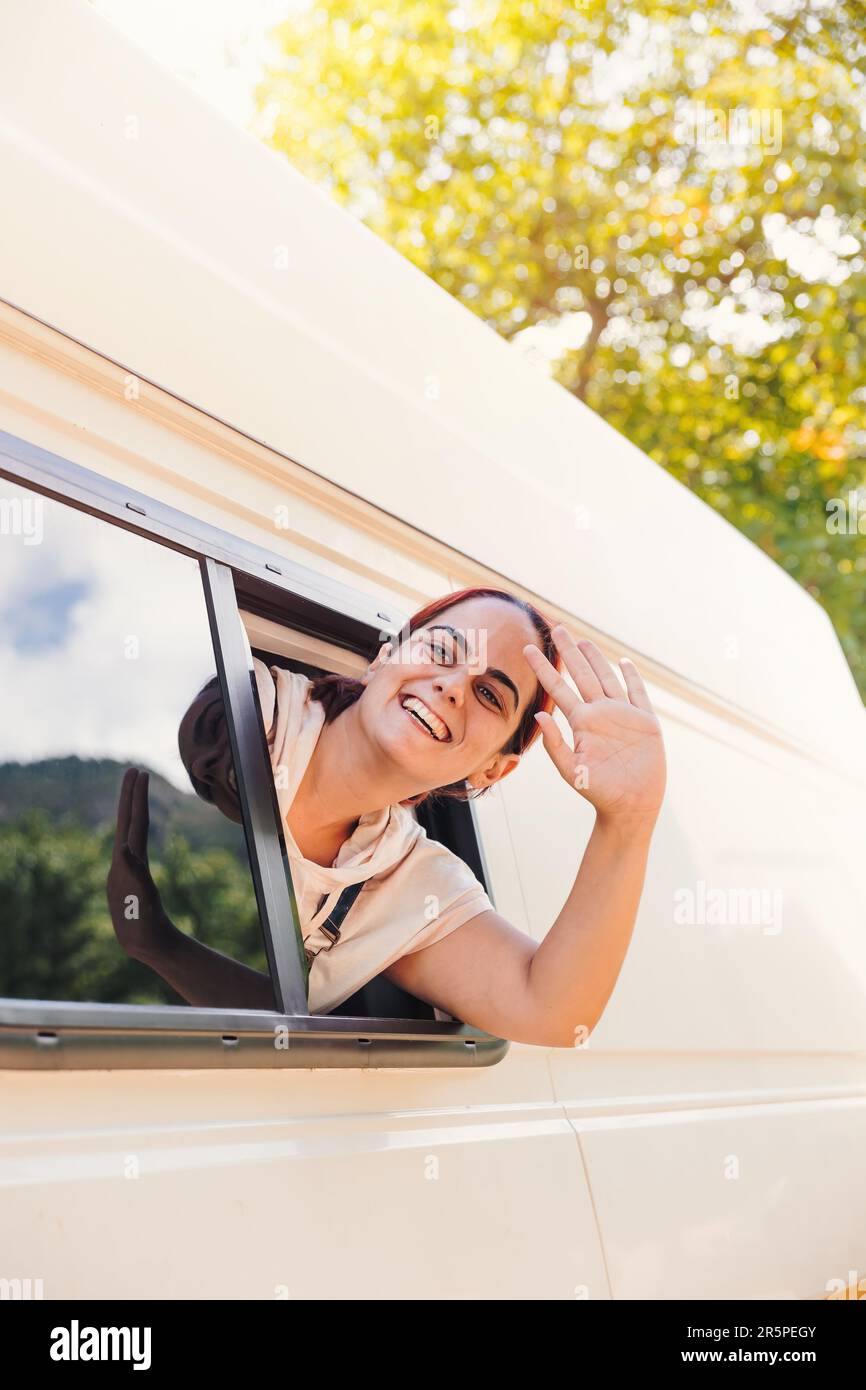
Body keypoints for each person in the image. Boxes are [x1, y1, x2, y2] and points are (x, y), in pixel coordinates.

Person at [106, 586, 666, 1046]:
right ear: (384, 656)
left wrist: (629, 821)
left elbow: (555, 1012)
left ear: (494, 769)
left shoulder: (411, 883)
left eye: (490, 696)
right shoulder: (240, 706)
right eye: (443, 652)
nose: (451, 686)